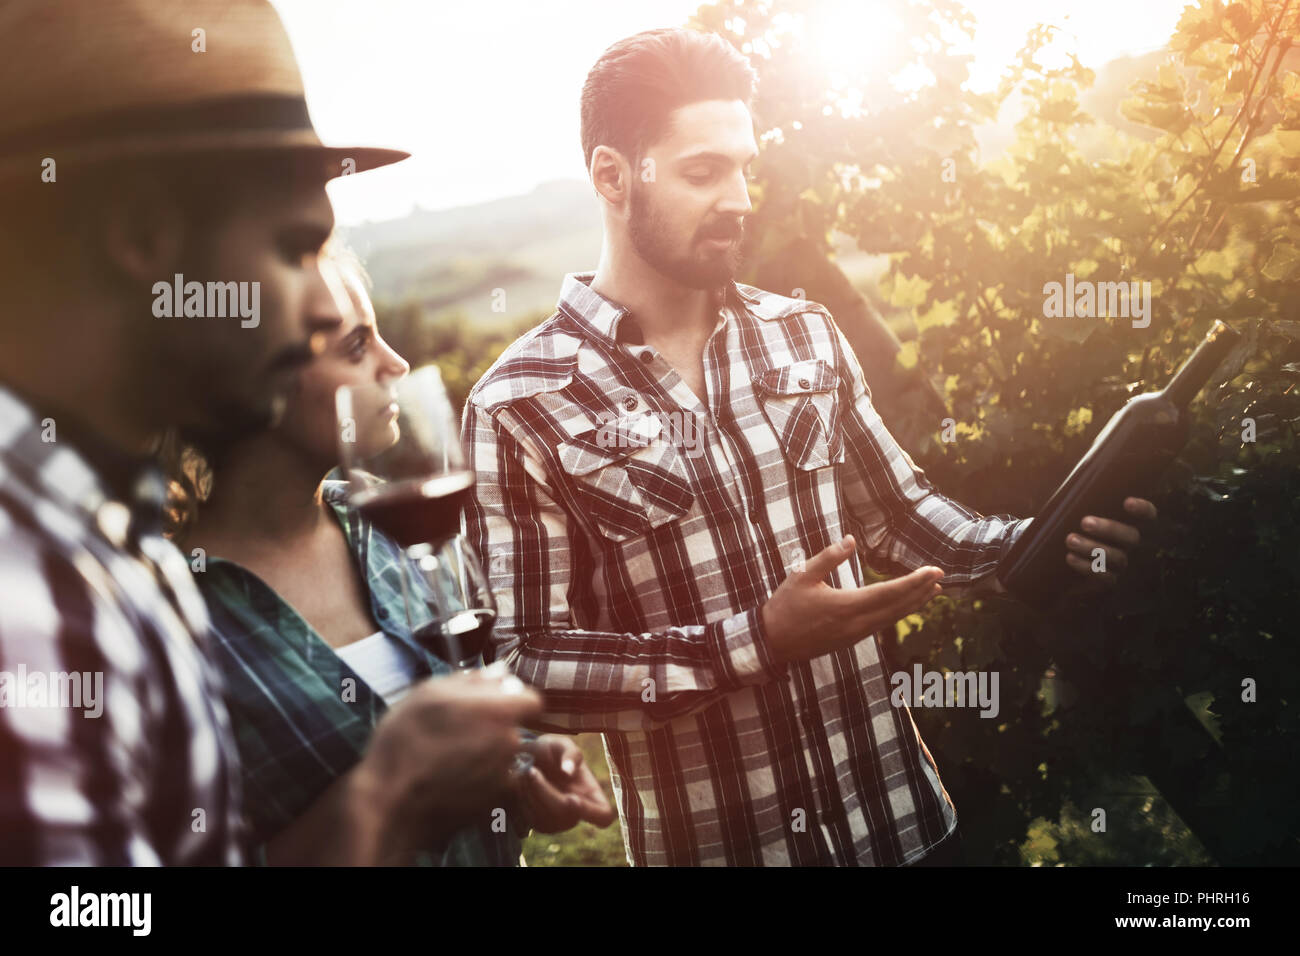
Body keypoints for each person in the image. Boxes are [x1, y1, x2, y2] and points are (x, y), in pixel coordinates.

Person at [461, 27, 1159, 866]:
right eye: (702, 172)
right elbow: (523, 661)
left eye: (745, 167)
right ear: (613, 176)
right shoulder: (519, 404)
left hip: (905, 827)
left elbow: (902, 514)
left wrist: (1046, 539)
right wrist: (754, 640)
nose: (739, 198)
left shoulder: (804, 337)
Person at [0, 0, 539, 865]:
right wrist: (388, 793)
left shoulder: (117, 549)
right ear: (142, 234)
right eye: (295, 249)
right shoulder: (29, 598)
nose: (324, 303)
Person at [165, 243, 615, 864]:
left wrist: (520, 764)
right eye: (356, 346)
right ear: (247, 383)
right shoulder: (168, 613)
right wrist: (386, 787)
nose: (396, 364)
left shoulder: (390, 526)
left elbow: (469, 709)